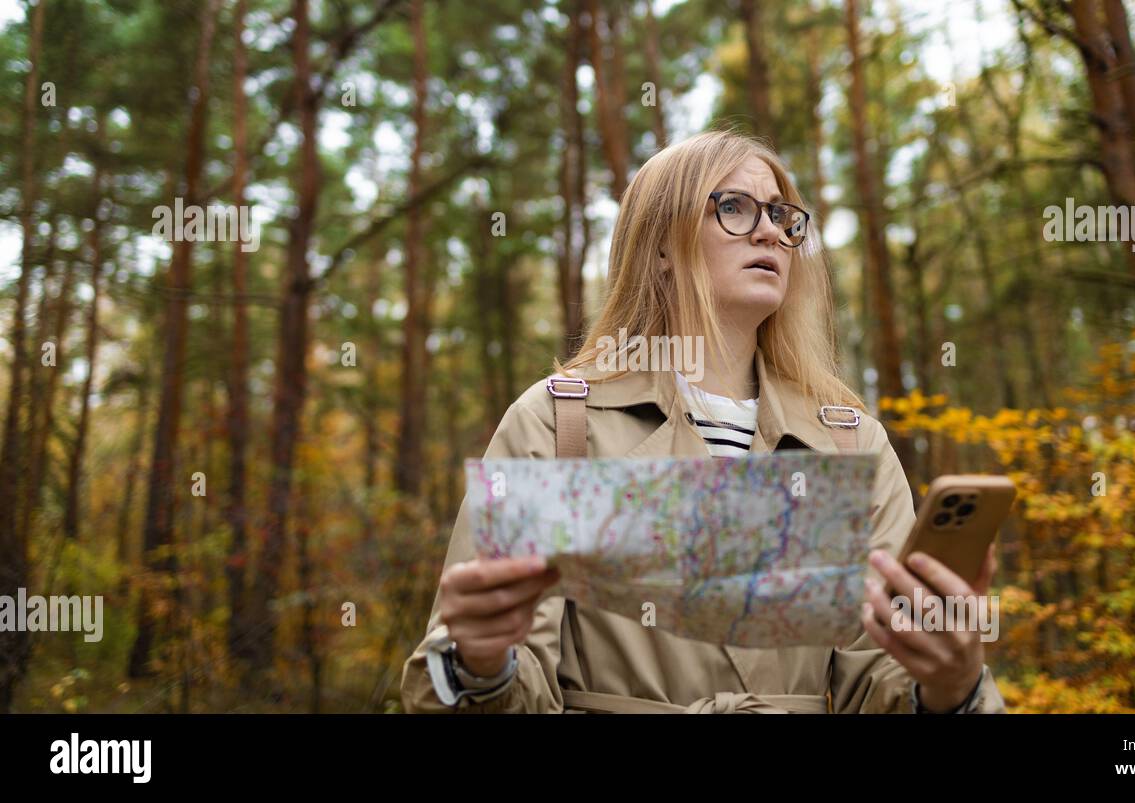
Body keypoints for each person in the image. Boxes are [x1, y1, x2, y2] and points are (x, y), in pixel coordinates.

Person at [400, 129, 1007, 714]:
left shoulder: (848, 440)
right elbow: (498, 680)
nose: (770, 231)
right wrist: (480, 664)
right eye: (736, 208)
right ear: (661, 244)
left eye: (782, 216)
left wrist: (950, 685)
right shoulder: (559, 425)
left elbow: (883, 682)